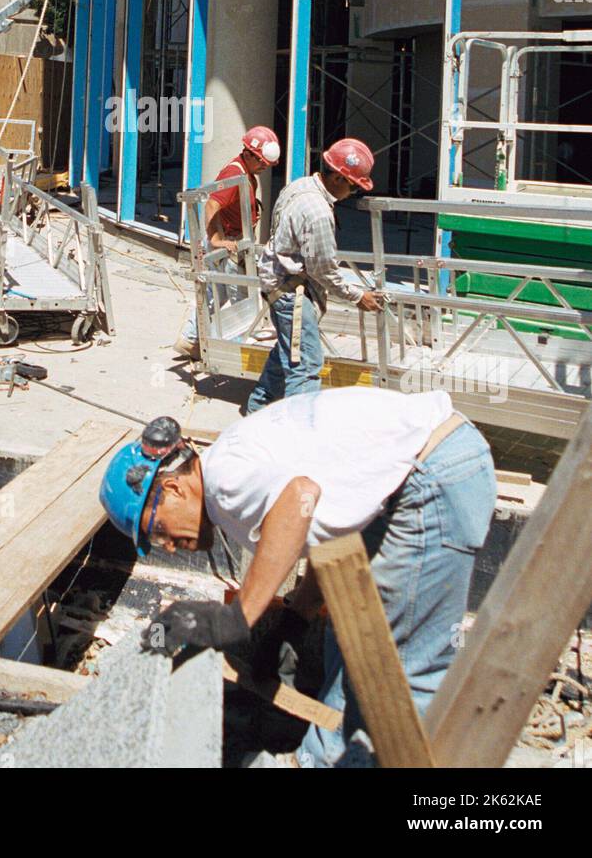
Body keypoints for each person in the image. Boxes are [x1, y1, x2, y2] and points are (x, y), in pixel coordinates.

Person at [100, 391, 496, 768]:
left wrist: (237, 619)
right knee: (351, 638)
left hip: (430, 478)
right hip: (420, 472)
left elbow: (299, 498)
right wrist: (298, 614)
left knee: (395, 670)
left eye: (156, 531)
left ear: (172, 487)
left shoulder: (223, 482)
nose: (167, 546)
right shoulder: (232, 462)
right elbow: (330, 527)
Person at [246, 138, 382, 415]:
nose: (353, 192)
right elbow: (323, 269)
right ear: (336, 178)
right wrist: (357, 296)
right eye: (353, 185)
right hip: (292, 292)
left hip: (279, 283)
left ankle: (257, 410)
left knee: (288, 352)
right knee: (306, 364)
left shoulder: (300, 185)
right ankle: (300, 431)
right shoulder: (318, 212)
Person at [173, 126, 281, 360]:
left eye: (267, 164)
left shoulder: (244, 173)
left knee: (216, 295)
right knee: (239, 298)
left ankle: (189, 339)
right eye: (261, 162)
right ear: (249, 153)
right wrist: (216, 239)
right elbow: (212, 204)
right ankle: (237, 351)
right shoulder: (235, 174)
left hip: (230, 243)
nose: (264, 167)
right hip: (229, 245)